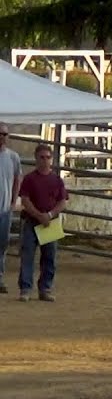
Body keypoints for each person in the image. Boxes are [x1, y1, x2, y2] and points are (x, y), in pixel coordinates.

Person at [17, 142, 68, 302]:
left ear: (51, 159)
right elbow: (25, 200)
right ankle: (25, 289)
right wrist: (39, 215)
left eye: (47, 157)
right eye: (42, 157)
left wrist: (50, 214)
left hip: (50, 222)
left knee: (49, 257)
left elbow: (62, 202)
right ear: (36, 158)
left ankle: (45, 288)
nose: (45, 160)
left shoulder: (57, 180)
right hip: (32, 221)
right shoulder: (29, 179)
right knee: (28, 256)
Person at [0, 124, 22, 293]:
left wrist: (14, 201)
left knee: (2, 244)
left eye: (4, 134)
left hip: (5, 208)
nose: (2, 136)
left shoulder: (13, 157)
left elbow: (17, 179)